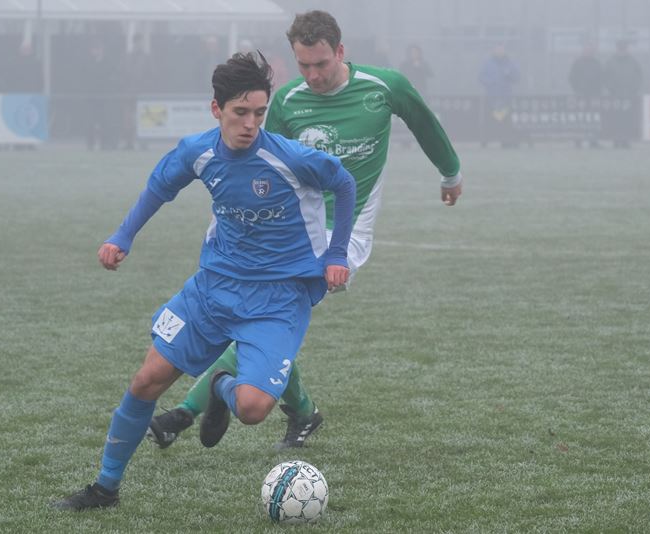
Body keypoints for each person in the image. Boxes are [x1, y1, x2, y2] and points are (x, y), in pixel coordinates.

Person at [52, 51, 357, 510]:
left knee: (253, 410)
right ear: (216, 109)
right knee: (145, 382)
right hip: (213, 288)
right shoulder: (199, 152)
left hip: (279, 298)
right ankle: (104, 488)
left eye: (259, 112)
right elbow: (160, 185)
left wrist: (337, 254)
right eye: (240, 112)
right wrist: (123, 236)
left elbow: (344, 182)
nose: (250, 123)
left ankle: (220, 386)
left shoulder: (289, 158)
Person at [147, 9, 462, 451]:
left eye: (322, 64)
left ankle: (190, 409)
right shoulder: (289, 99)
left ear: (340, 52)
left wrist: (450, 174)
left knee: (267, 312)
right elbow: (256, 161)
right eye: (303, 65)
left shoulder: (384, 87)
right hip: (287, 230)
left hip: (346, 234)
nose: (312, 75)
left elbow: (425, 123)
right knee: (267, 315)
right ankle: (299, 411)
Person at [478, 44, 520, 147]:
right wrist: (491, 83)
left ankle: (506, 140)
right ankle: (487, 140)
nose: (499, 51)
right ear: (493, 50)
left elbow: (517, 77)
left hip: (506, 97)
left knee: (506, 119)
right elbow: (481, 77)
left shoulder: (510, 63)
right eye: (497, 49)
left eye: (501, 49)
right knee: (490, 118)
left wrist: (509, 76)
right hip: (492, 97)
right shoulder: (487, 63)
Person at [604, 39, 643, 148]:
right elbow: (605, 77)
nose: (622, 50)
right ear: (617, 49)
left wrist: (634, 89)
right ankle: (616, 140)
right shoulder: (610, 62)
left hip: (629, 96)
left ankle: (626, 139)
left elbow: (639, 76)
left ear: (627, 49)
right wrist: (611, 89)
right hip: (615, 96)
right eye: (620, 48)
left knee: (628, 119)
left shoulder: (633, 62)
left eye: (624, 48)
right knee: (615, 119)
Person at [568, 41, 604, 148]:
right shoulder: (577, 63)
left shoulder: (597, 63)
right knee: (580, 118)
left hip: (594, 95)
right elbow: (571, 78)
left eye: (591, 49)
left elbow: (602, 78)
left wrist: (598, 91)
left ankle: (593, 141)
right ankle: (578, 140)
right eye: (587, 49)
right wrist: (577, 90)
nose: (589, 51)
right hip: (580, 95)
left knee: (594, 118)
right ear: (583, 50)